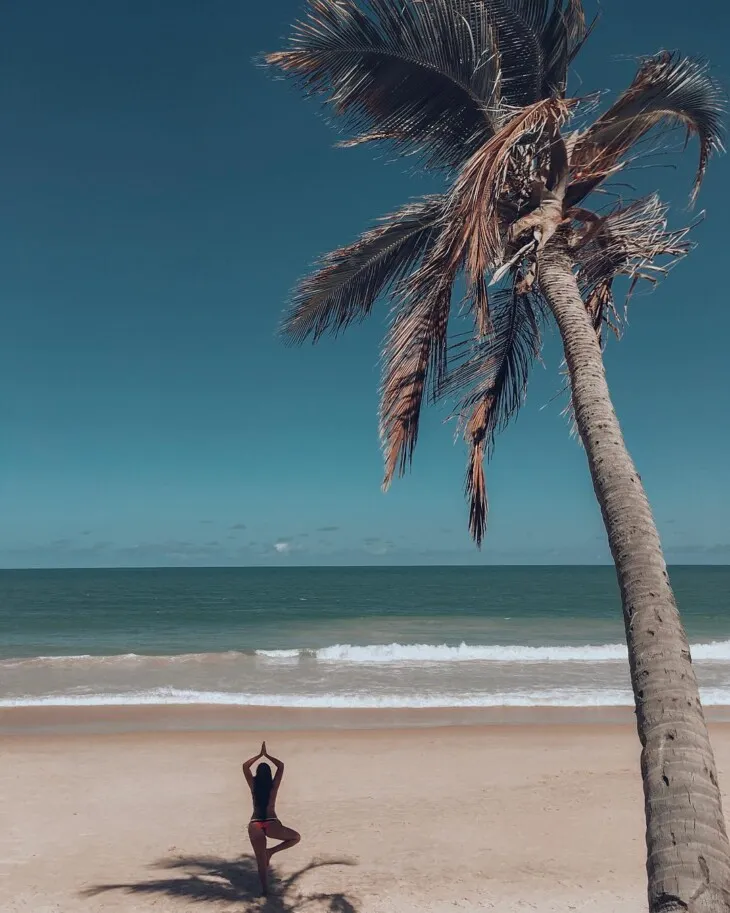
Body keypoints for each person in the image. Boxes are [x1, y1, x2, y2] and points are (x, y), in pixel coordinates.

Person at [242, 741, 300, 895]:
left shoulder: (254, 786)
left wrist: (259, 755)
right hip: (271, 823)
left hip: (255, 824)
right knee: (295, 837)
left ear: (257, 774)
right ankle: (271, 851)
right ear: (269, 775)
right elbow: (281, 766)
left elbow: (245, 767)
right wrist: (267, 756)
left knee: (260, 859)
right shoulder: (273, 786)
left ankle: (265, 890)